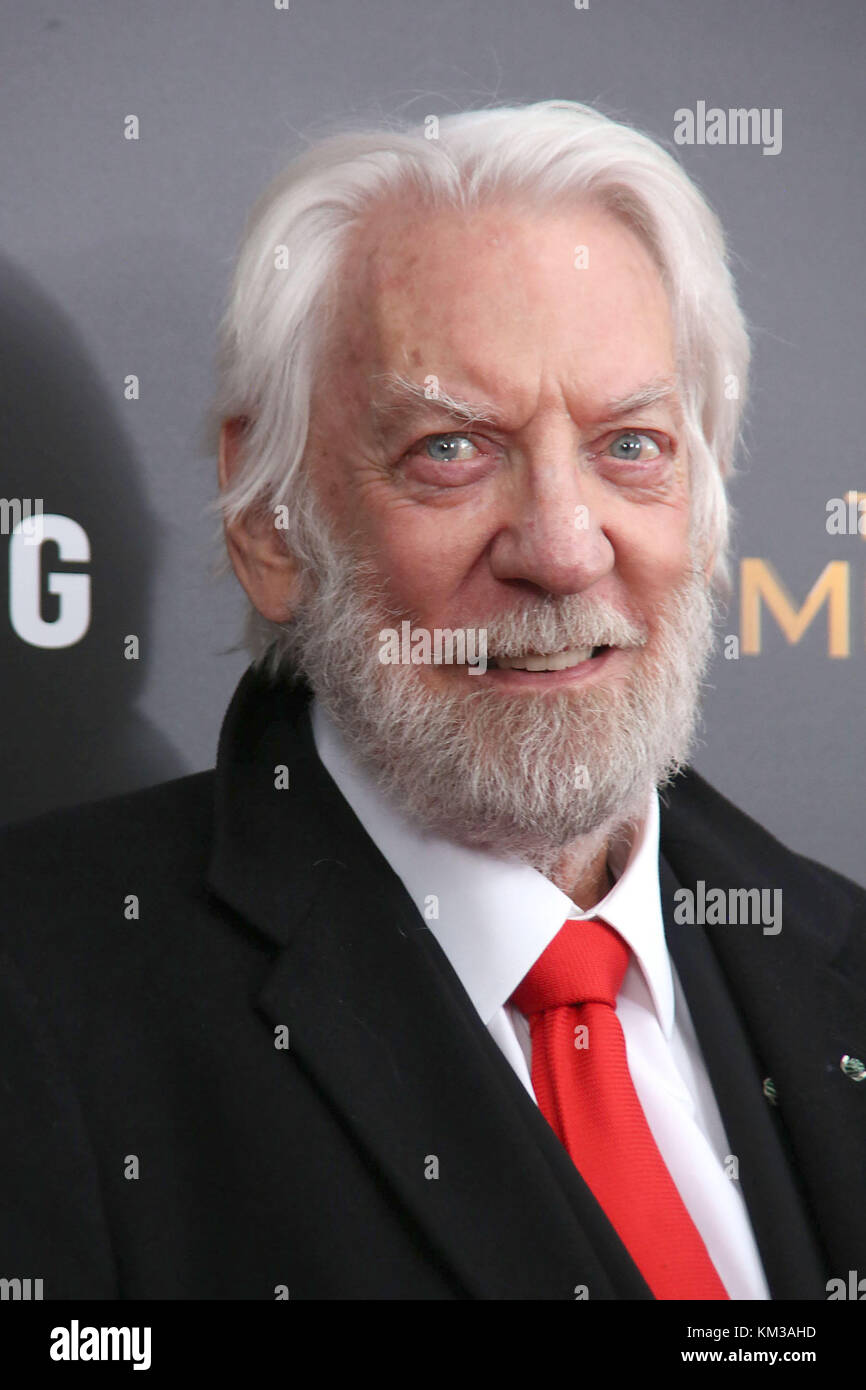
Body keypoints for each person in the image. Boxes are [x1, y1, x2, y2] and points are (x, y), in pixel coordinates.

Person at [1, 100, 863, 1301]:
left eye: (630, 445)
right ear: (269, 524)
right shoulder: (39, 999)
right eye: (450, 451)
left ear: (705, 506)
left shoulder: (837, 962)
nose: (563, 549)